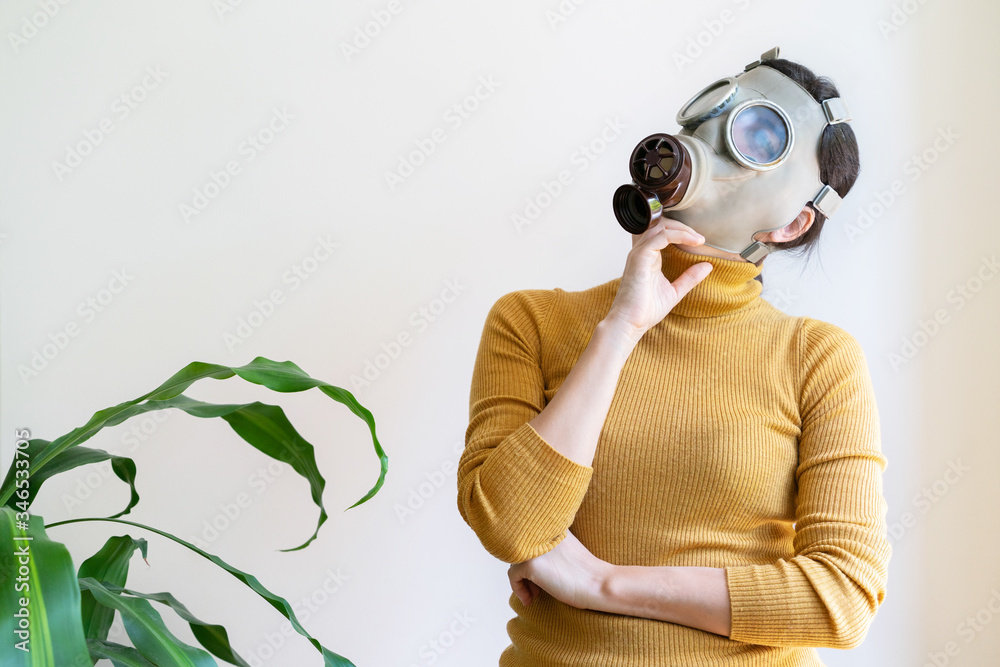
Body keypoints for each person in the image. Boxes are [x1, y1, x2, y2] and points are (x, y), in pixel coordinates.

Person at [457, 54, 890, 666]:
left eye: (758, 138)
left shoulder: (818, 358)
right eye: (714, 116)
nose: (711, 142)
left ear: (791, 224)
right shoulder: (531, 322)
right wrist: (620, 331)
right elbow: (511, 527)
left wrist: (602, 584)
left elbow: (840, 600)